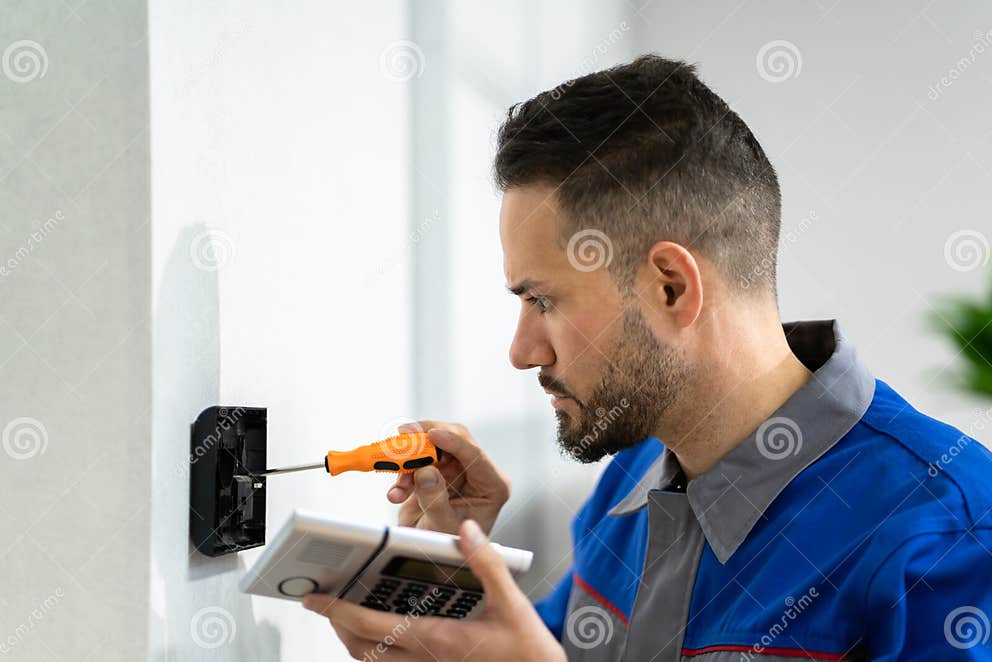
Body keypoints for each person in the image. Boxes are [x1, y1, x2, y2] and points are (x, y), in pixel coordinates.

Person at [303, 54, 992, 661]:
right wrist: (454, 590)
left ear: (671, 287)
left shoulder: (948, 531)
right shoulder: (631, 479)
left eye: (543, 300)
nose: (521, 352)